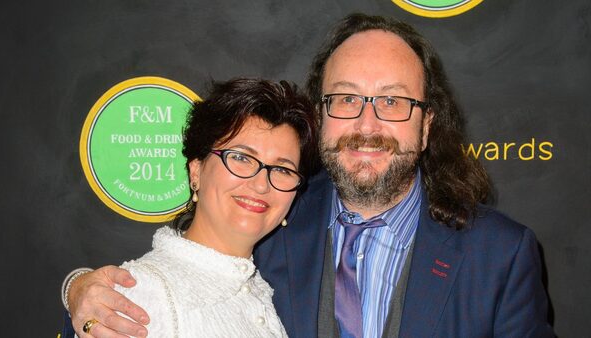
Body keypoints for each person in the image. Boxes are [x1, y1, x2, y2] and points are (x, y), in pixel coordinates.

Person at [63, 14, 554, 338]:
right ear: (322, 115)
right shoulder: (270, 216)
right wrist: (79, 289)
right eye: (346, 98)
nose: (367, 124)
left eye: (392, 100)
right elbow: (164, 278)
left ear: (425, 126)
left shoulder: (500, 256)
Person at [63, 77, 318, 337]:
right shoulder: (141, 294)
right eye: (241, 158)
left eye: (283, 169)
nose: (261, 184)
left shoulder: (262, 289)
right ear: (196, 170)